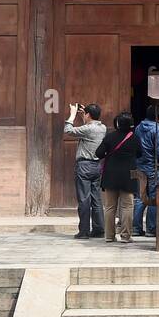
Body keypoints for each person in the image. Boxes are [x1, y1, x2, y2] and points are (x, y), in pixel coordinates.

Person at [94, 112, 139, 243]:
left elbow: (98, 153)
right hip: (129, 174)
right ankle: (126, 236)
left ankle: (109, 236)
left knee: (109, 207)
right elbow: (140, 153)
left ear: (117, 123)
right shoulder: (134, 137)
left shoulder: (110, 137)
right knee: (127, 207)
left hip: (110, 174)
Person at [64, 102, 107, 239]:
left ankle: (84, 231)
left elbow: (68, 130)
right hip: (97, 166)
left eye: (85, 114)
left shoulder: (88, 129)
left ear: (88, 115)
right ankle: (99, 229)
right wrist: (85, 115)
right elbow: (88, 126)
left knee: (84, 199)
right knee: (96, 199)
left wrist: (72, 115)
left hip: (84, 166)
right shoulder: (103, 128)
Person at [132, 105, 159, 237]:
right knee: (153, 197)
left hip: (140, 165)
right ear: (158, 116)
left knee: (140, 197)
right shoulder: (158, 129)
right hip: (153, 166)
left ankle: (136, 227)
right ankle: (151, 228)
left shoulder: (138, 128)